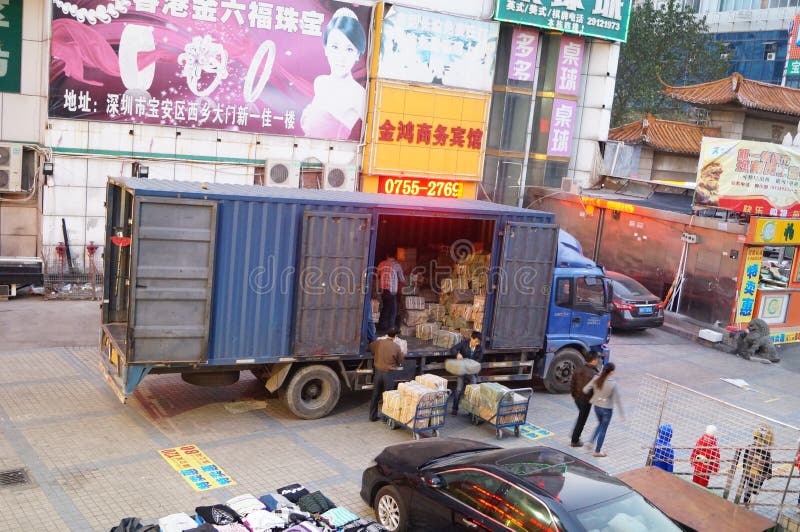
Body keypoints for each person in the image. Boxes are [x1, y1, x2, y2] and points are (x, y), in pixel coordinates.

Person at [300, 8, 367, 141]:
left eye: (349, 49)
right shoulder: (320, 82)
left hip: (333, 158)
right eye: (335, 47)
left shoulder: (358, 94)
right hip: (302, 152)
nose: (340, 57)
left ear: (357, 54)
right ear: (326, 48)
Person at [582, 362, 624, 458]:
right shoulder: (613, 384)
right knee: (603, 429)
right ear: (611, 372)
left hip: (596, 406)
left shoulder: (596, 378)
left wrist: (596, 395)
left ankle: (590, 441)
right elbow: (617, 400)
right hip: (607, 409)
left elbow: (585, 390)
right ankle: (597, 451)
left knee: (600, 424)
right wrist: (622, 415)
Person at [368, 328, 405, 422]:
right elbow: (400, 361)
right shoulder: (396, 346)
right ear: (395, 336)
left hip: (378, 372)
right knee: (388, 396)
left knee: (375, 395)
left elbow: (371, 347)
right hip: (388, 374)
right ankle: (385, 418)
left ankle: (372, 417)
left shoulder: (379, 342)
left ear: (387, 334)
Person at [569, 351, 600, 447]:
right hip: (586, 401)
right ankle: (575, 440)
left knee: (581, 417)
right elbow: (596, 390)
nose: (598, 361)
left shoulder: (578, 369)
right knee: (582, 420)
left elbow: (572, 384)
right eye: (597, 360)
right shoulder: (594, 374)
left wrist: (574, 395)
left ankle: (574, 433)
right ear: (593, 361)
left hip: (577, 398)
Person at [449, 331, 483, 415]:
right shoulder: (464, 343)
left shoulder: (480, 348)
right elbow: (453, 349)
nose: (477, 344)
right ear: (471, 338)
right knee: (458, 390)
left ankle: (471, 411)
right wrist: (457, 354)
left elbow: (478, 360)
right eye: (475, 341)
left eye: (478, 342)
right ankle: (455, 409)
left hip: (472, 371)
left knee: (473, 391)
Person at [741, 423, 774, 505]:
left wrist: (768, 473)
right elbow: (745, 459)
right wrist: (745, 468)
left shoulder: (765, 452)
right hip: (752, 473)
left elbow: (768, 464)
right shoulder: (752, 448)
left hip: (758, 474)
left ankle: (749, 502)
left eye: (763, 440)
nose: (758, 441)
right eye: (756, 438)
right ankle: (747, 502)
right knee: (750, 488)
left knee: (753, 489)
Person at [376, 252, 405, 333]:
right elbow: (402, 279)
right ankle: (391, 328)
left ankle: (380, 326)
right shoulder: (397, 265)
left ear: (387, 255)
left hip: (383, 290)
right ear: (395, 256)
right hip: (391, 290)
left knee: (385, 307)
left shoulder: (381, 264)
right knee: (393, 309)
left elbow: (376, 275)